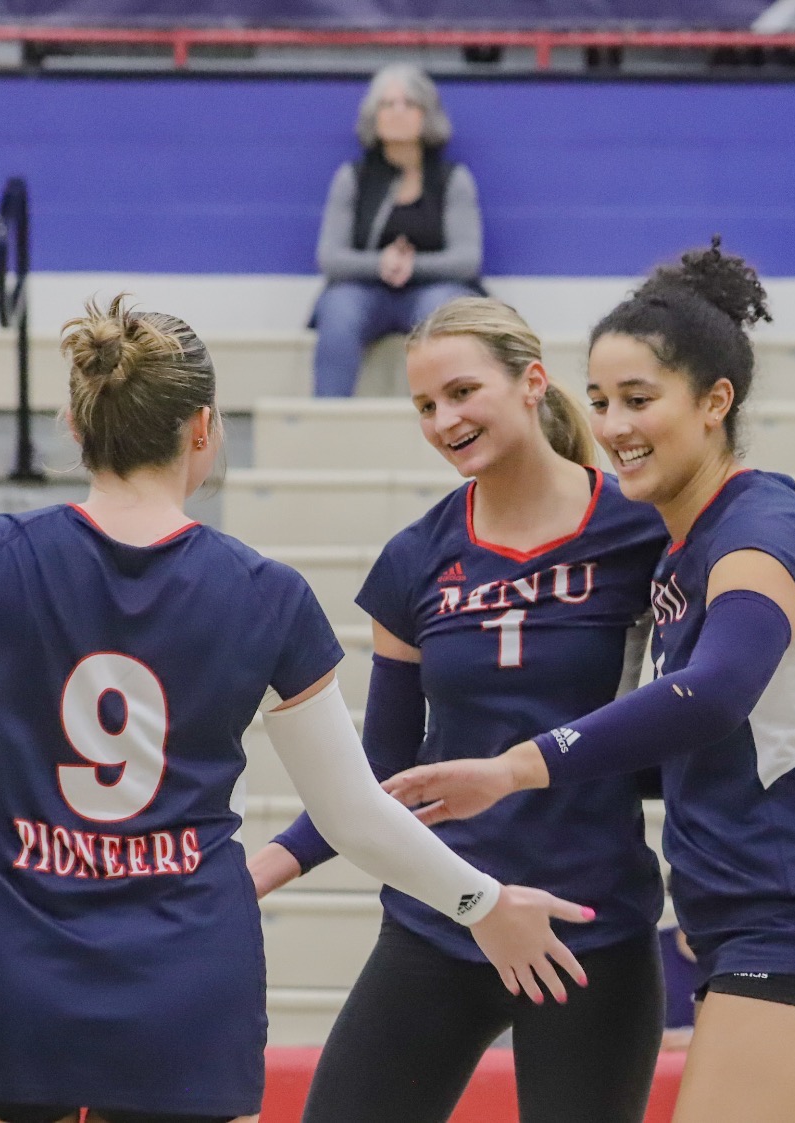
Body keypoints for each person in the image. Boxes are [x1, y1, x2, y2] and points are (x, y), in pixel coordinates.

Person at [0, 297, 592, 1123]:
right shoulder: (268, 595)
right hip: (187, 990)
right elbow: (351, 813)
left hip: (10, 975)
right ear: (202, 427)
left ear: (77, 425)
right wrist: (482, 901)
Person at [383, 241, 795, 1123]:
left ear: (716, 402)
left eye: (640, 399)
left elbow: (715, 692)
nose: (613, 424)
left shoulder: (760, 529)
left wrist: (515, 766)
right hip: (789, 914)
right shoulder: (681, 544)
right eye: (598, 401)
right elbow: (725, 738)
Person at [249, 296, 669, 1123]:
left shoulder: (642, 531)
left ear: (532, 384)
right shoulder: (415, 558)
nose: (444, 420)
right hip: (444, 914)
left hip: (590, 926)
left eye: (462, 392)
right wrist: (257, 869)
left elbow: (699, 710)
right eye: (425, 405)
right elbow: (378, 771)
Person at [311, 64, 484, 398]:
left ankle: (446, 418)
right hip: (364, 291)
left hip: (434, 289)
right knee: (339, 309)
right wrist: (380, 264)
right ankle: (328, 424)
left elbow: (467, 260)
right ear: (373, 117)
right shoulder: (352, 178)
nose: (397, 112)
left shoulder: (452, 179)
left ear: (427, 114)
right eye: (387, 104)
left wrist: (413, 266)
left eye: (408, 103)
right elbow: (330, 258)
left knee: (444, 310)